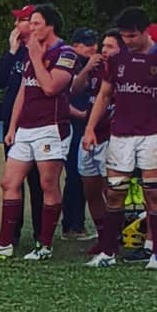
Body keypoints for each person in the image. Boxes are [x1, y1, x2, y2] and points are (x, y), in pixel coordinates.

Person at [83, 8, 157, 270]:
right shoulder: (117, 59)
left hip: (152, 136)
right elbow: (105, 95)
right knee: (114, 192)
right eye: (124, 36)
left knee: (154, 192)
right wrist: (90, 128)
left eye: (132, 36)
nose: (127, 41)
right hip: (120, 136)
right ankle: (108, 252)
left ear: (145, 31)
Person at [0, 5, 78, 261]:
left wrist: (36, 57)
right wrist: (13, 126)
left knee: (47, 184)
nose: (31, 28)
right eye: (31, 23)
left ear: (50, 26)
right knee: (9, 182)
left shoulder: (65, 53)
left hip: (50, 128)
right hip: (25, 128)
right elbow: (23, 92)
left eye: (36, 23)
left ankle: (44, 244)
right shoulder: (29, 52)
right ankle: (4, 242)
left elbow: (51, 87)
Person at [0, 4, 43, 248]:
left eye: (20, 20)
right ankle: (12, 231)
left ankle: (41, 233)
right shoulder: (17, 52)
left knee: (39, 181)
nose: (15, 25)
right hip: (13, 125)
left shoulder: (46, 50)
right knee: (13, 180)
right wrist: (11, 51)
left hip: (38, 123)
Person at [70, 30, 121, 256]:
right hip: (89, 135)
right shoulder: (96, 68)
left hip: (111, 136)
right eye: (104, 46)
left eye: (110, 46)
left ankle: (113, 238)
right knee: (90, 188)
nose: (103, 50)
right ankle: (102, 236)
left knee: (111, 190)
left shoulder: (124, 71)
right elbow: (74, 90)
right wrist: (87, 68)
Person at [62, 27, 99, 239]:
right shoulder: (69, 63)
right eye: (87, 44)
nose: (93, 48)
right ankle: (71, 224)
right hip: (74, 124)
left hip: (90, 125)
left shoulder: (97, 65)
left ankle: (79, 223)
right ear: (75, 46)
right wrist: (82, 115)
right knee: (75, 175)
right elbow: (65, 95)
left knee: (88, 175)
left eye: (95, 43)